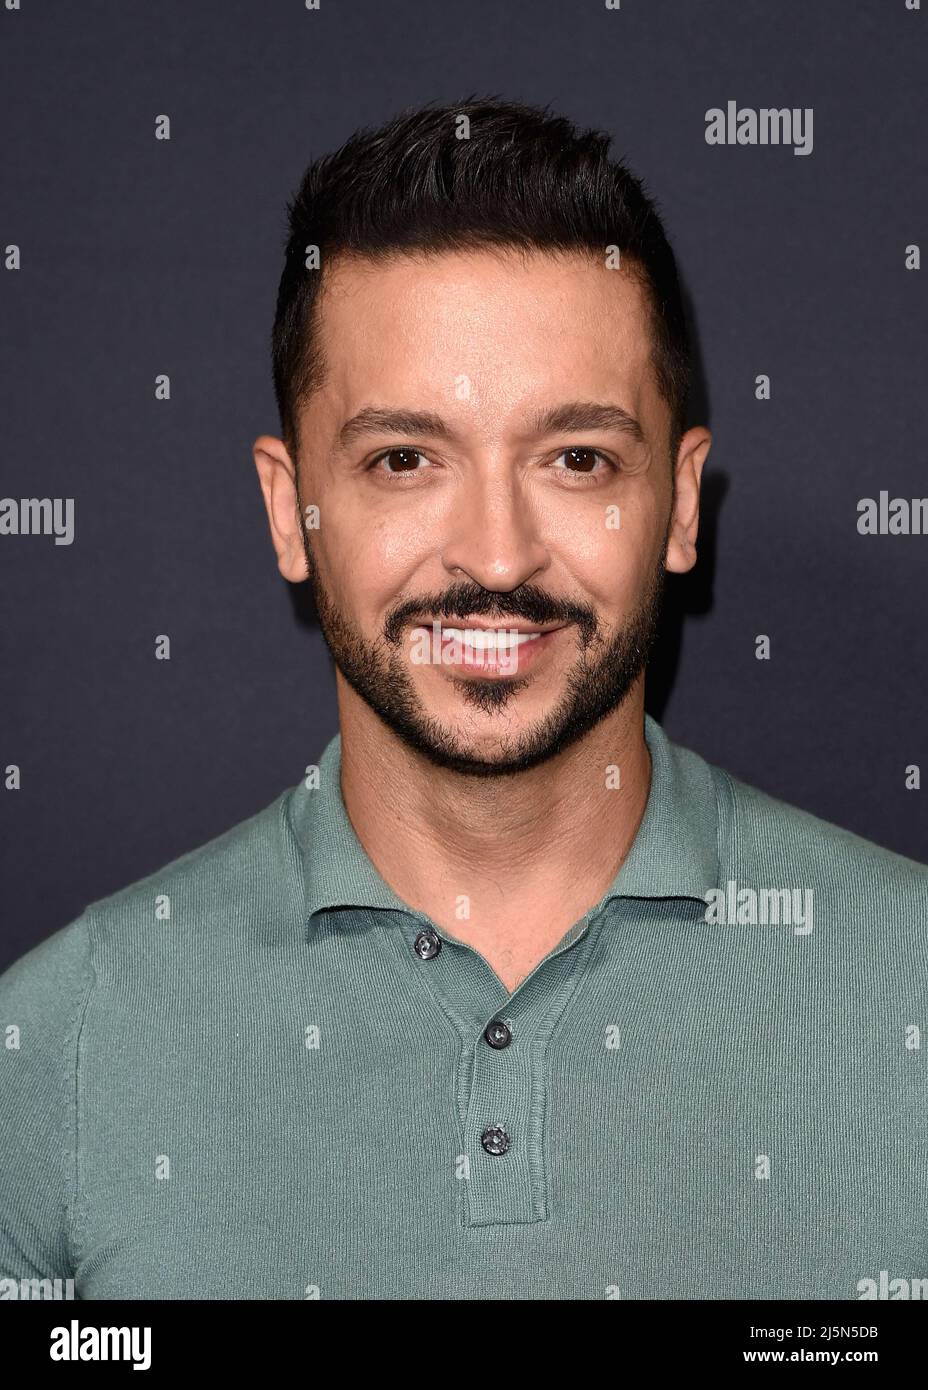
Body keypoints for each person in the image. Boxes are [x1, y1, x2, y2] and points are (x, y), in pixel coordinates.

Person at [1, 98, 925, 1301]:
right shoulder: (56, 1043)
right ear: (291, 511)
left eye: (575, 457)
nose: (495, 555)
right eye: (404, 461)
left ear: (682, 504)